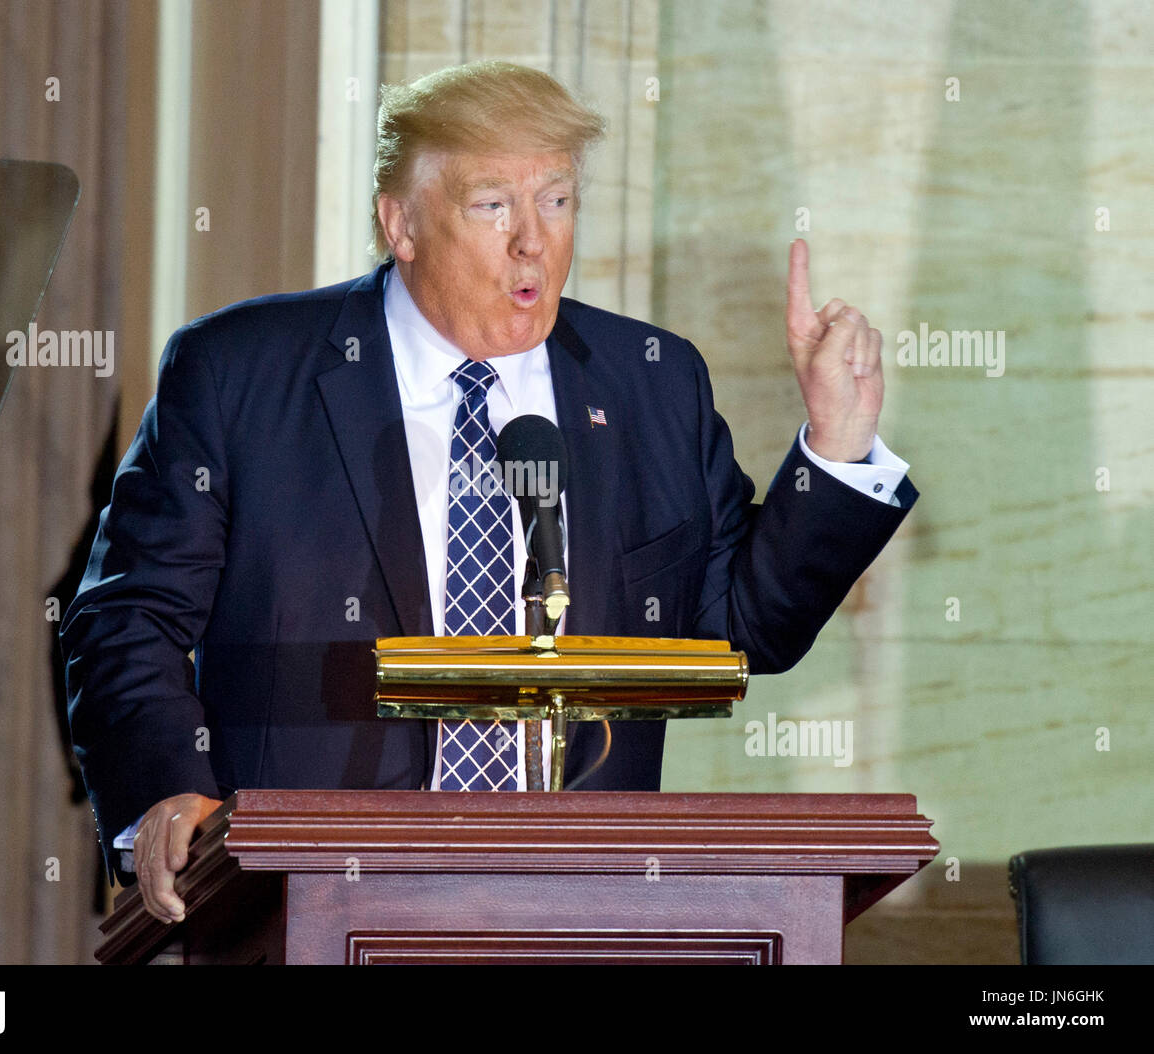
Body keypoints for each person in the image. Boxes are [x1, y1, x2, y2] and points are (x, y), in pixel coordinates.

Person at [61, 61, 917, 924]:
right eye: (492, 205)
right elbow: (128, 617)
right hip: (305, 905)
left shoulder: (651, 384)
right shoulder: (240, 372)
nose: (532, 242)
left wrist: (838, 442)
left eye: (556, 200)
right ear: (401, 221)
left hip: (583, 915)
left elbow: (743, 627)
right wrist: (167, 793)